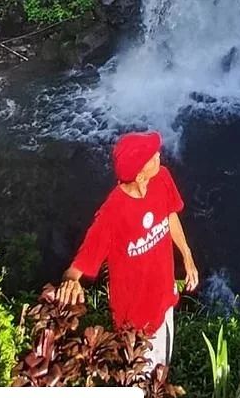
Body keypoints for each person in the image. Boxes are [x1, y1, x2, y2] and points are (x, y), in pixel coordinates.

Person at [58, 130, 198, 372]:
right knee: (138, 380)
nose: (158, 155)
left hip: (165, 298)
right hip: (135, 320)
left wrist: (187, 255)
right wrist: (70, 282)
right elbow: (78, 266)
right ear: (139, 173)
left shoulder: (162, 178)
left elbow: (170, 213)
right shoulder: (112, 214)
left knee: (163, 367)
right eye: (152, 156)